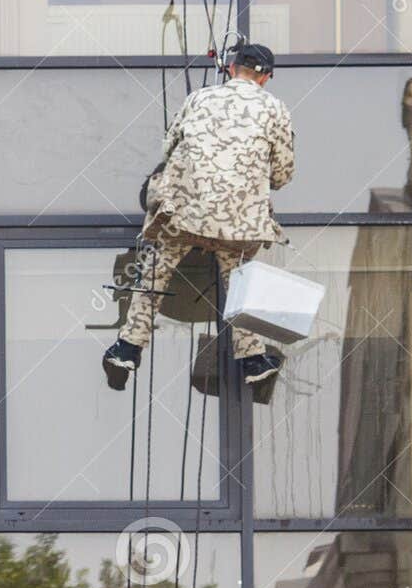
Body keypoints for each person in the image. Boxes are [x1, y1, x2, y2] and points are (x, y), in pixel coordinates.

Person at [102, 42, 295, 386]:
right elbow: (281, 175)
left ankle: (127, 349)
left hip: (186, 213)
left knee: (154, 275)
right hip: (239, 223)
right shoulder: (276, 109)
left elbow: (169, 146)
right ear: (265, 78)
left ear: (232, 69)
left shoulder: (199, 99)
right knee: (239, 283)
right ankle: (252, 360)